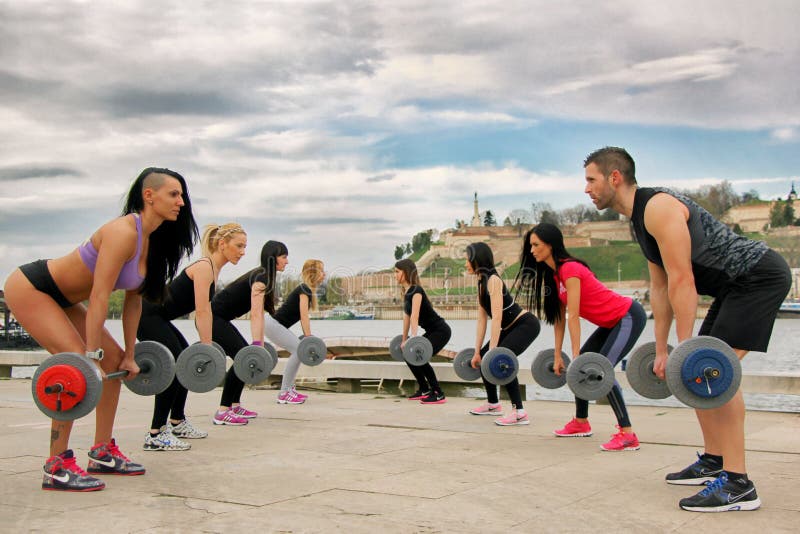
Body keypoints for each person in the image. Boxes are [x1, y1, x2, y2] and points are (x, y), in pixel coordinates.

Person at [583, 146, 791, 512]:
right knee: (697, 374)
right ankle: (714, 460)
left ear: (614, 177)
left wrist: (684, 351)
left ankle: (739, 484)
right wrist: (662, 349)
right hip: (733, 287)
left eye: (591, 179)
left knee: (711, 372)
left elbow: (683, 281)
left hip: (757, 277)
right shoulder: (639, 221)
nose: (586, 189)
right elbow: (660, 289)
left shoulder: (658, 208)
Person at [3, 167, 197, 491]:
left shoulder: (151, 244)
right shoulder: (123, 232)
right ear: (149, 196)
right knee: (74, 368)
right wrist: (89, 356)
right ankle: (56, 465)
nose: (181, 202)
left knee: (114, 362)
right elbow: (99, 295)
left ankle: (102, 451)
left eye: (182, 195)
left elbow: (134, 303)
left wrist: (130, 355)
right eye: (174, 194)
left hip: (65, 299)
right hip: (33, 287)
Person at [514, 223, 647, 450]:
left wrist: (575, 356)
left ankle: (628, 434)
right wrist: (558, 355)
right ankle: (581, 423)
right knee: (586, 365)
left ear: (550, 244)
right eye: (530, 246)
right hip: (611, 322)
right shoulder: (554, 277)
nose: (532, 250)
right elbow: (559, 319)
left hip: (627, 316)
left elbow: (574, 316)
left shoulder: (570, 269)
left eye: (536, 245)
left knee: (600, 369)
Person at [139, 223, 246, 450]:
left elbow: (203, 313)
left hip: (159, 317)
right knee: (175, 365)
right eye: (238, 246)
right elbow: (202, 311)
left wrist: (205, 347)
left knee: (185, 362)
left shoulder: (214, 270)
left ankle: (177, 422)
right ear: (222, 244)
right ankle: (156, 434)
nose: (242, 251)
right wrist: (207, 346)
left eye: (244, 247)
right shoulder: (205, 267)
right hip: (147, 315)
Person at [210, 240, 288, 425]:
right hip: (212, 319)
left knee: (244, 357)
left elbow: (260, 313)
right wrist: (256, 345)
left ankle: (235, 406)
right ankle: (222, 411)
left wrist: (258, 344)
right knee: (242, 358)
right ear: (273, 258)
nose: (287, 261)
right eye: (284, 257)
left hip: (220, 319)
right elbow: (254, 314)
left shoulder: (264, 276)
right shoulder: (261, 277)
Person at [465, 242, 540, 425]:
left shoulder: (493, 280)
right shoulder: (481, 282)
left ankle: (519, 412)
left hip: (525, 325)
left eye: (467, 259)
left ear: (477, 260)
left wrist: (493, 352)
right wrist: (477, 352)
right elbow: (482, 319)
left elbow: (497, 318)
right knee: (484, 358)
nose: (465, 263)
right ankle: (493, 404)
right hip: (509, 328)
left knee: (501, 361)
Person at [394, 259, 450, 404]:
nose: (394, 275)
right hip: (432, 331)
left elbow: (415, 315)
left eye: (397, 272)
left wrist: (413, 338)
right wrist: (404, 340)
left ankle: (438, 393)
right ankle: (424, 389)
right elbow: (406, 318)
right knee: (409, 355)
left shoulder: (416, 290)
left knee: (420, 356)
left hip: (441, 331)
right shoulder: (406, 292)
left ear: (405, 272)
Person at [271, 259, 326, 404]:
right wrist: (308, 337)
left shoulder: (307, 290)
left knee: (298, 351)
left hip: (275, 325)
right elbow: (303, 315)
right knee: (298, 350)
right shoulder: (304, 289)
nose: (324, 275)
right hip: (273, 325)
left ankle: (288, 389)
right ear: (313, 273)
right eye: (321, 271)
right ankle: (284, 393)